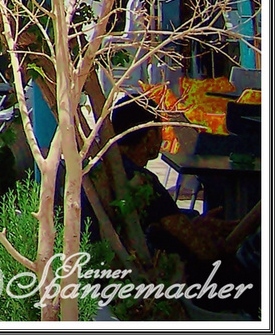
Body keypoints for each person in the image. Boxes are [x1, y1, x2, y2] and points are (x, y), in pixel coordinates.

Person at [97, 97, 255, 289]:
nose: (163, 138)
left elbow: (171, 226)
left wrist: (193, 225)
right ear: (149, 138)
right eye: (161, 131)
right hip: (147, 278)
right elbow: (202, 250)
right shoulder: (143, 181)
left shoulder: (104, 169)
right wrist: (228, 247)